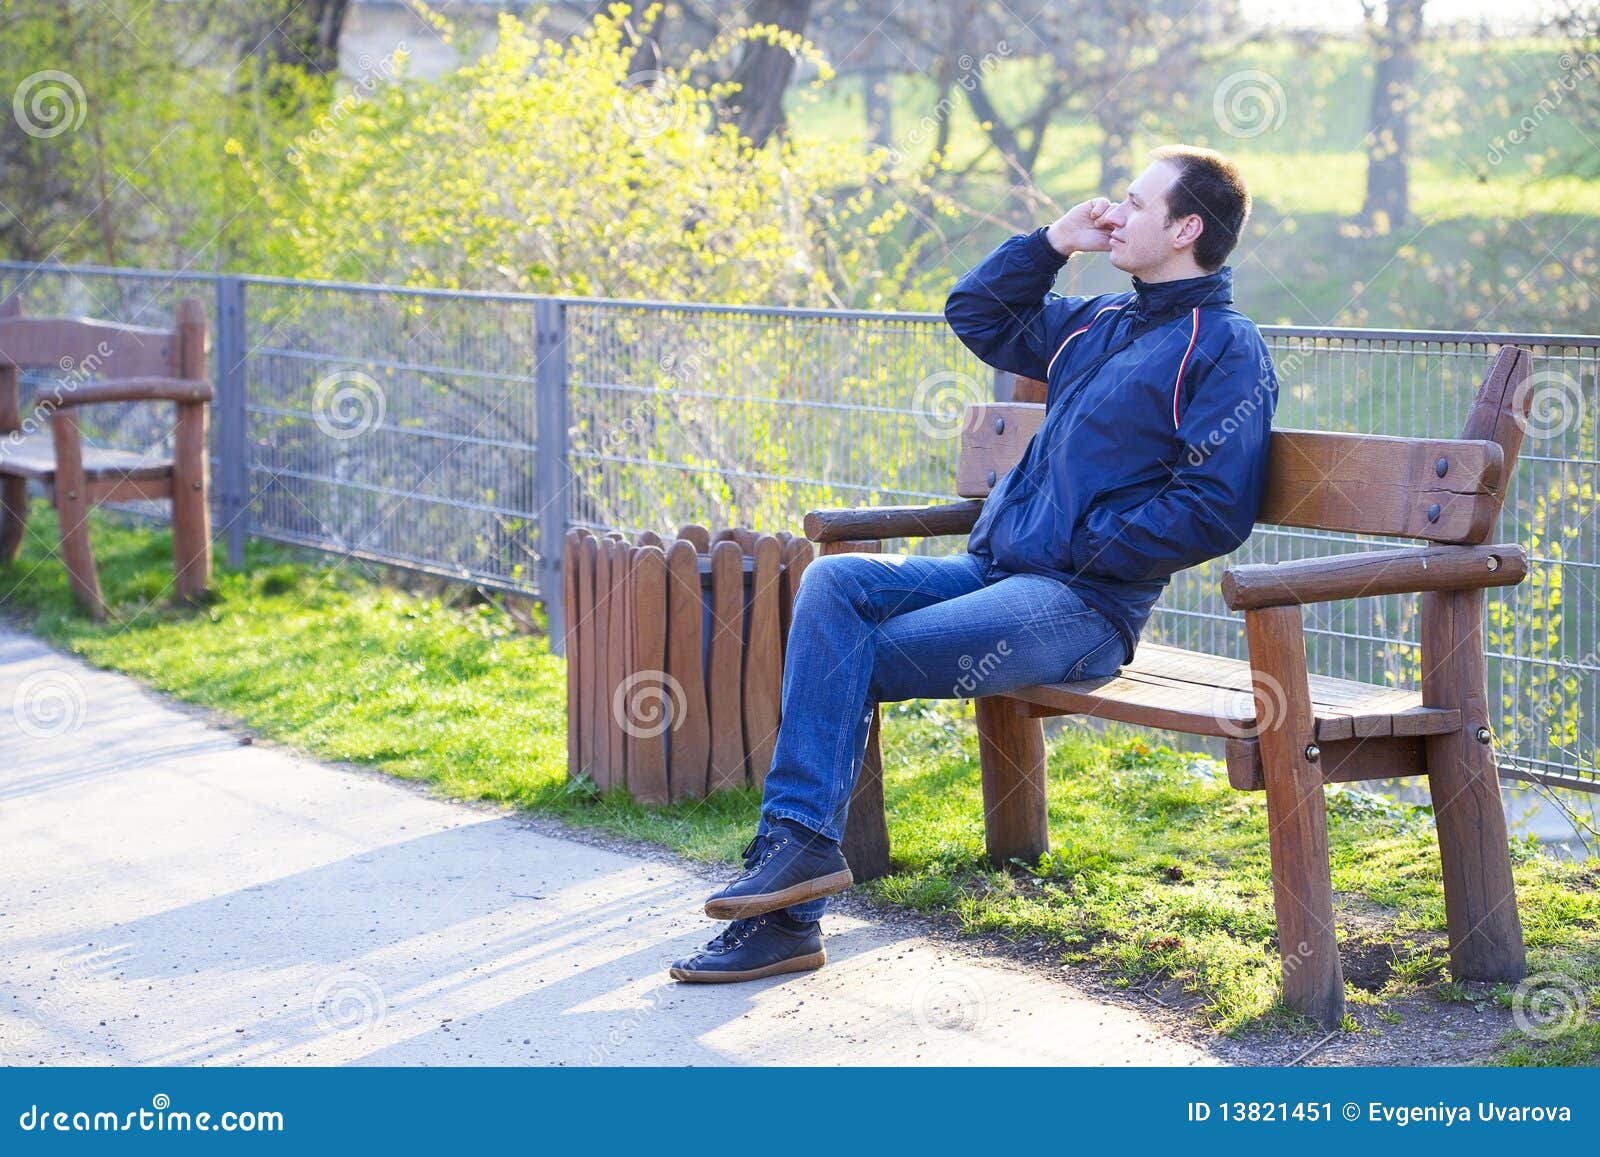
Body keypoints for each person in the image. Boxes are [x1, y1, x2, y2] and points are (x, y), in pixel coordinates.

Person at [670, 144, 1278, 983]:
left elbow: (1215, 506)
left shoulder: (1223, 347)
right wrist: (1051, 242)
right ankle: (798, 855)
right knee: (834, 579)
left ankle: (790, 901)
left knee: (850, 659)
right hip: (994, 574)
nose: (1117, 212)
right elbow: (977, 313)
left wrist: (1082, 546)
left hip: (1082, 608)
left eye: (1136, 203)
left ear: (1184, 227)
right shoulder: (1100, 322)